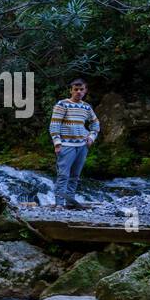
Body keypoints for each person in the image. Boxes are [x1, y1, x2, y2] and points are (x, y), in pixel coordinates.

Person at [48, 78, 100, 210]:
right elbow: (54, 124)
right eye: (75, 89)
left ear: (85, 90)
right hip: (66, 145)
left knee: (75, 176)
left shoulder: (86, 107)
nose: (78, 92)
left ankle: (70, 202)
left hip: (82, 145)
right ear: (71, 90)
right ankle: (59, 203)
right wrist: (57, 143)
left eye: (81, 89)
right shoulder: (62, 104)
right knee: (63, 175)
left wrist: (91, 137)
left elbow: (95, 123)